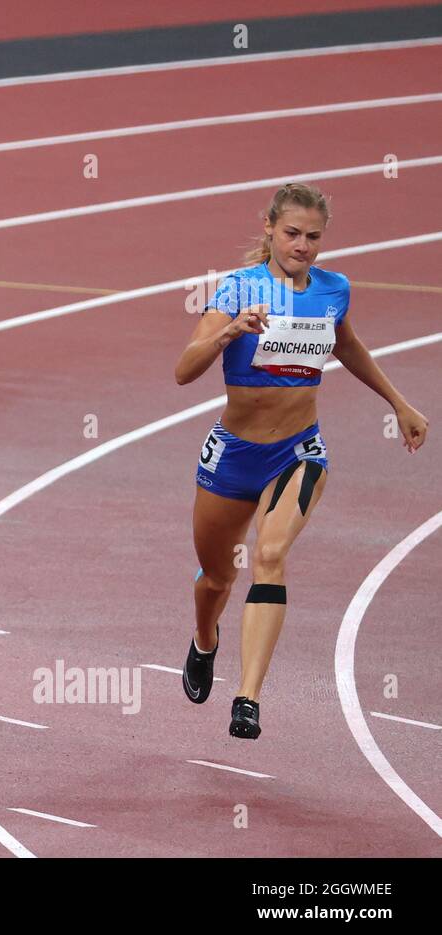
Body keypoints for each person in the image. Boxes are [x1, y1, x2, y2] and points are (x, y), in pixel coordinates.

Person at [174, 183, 429, 739]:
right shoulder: (238, 289)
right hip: (234, 455)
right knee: (216, 578)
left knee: (268, 555)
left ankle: (248, 698)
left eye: (314, 237)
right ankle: (204, 640)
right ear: (269, 229)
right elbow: (184, 369)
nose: (303, 246)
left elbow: (348, 346)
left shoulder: (334, 289)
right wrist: (230, 331)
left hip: (298, 450)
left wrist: (399, 402)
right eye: (292, 234)